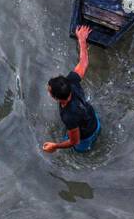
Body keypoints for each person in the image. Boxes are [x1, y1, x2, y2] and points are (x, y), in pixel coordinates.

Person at [42, 25, 100, 153]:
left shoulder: (69, 116)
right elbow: (84, 63)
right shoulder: (71, 80)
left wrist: (55, 146)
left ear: (56, 97)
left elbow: (75, 141)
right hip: (93, 118)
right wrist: (82, 40)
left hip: (86, 136)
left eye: (49, 90)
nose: (48, 89)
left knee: (79, 151)